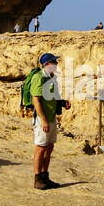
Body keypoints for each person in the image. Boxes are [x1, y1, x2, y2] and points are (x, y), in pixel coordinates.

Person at [25, 52, 69, 189]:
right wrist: (43, 120)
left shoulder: (52, 77)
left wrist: (62, 102)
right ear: (47, 64)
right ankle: (37, 179)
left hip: (51, 117)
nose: (56, 64)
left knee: (49, 147)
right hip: (42, 119)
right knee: (40, 148)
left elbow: (53, 95)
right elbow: (36, 100)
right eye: (54, 62)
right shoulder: (39, 78)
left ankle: (45, 176)